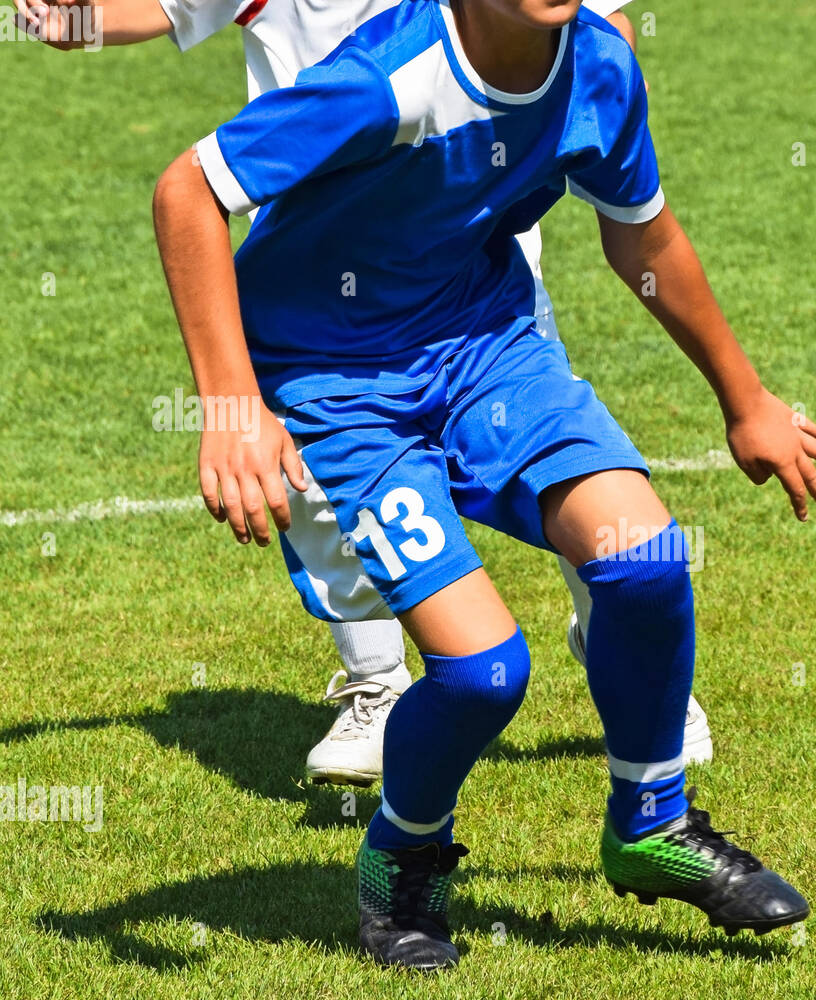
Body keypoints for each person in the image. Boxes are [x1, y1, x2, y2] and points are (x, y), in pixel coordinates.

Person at [151, 0, 816, 968]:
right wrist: (230, 406)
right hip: (338, 380)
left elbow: (641, 237)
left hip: (485, 351)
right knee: (484, 675)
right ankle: (402, 860)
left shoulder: (598, 65)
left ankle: (650, 824)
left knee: (645, 561)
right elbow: (188, 189)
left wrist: (747, 399)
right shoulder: (386, 76)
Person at [15, 0, 714, 783]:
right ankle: (378, 684)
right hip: (328, 278)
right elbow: (164, 12)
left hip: (477, 258)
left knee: (564, 465)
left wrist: (591, 110)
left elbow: (597, 31)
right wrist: (64, 22)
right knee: (322, 498)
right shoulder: (373, 72)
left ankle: (637, 665)